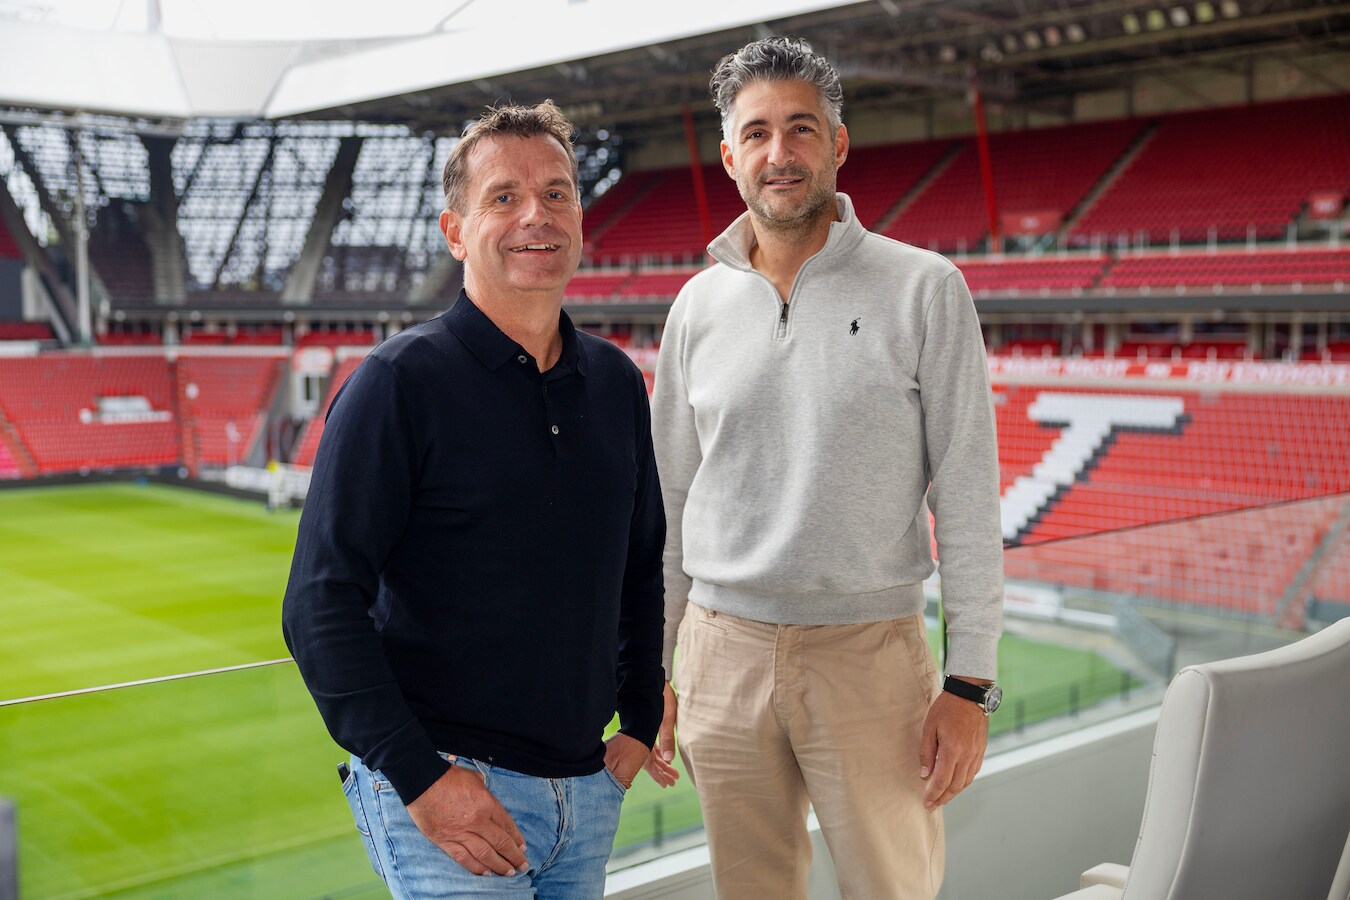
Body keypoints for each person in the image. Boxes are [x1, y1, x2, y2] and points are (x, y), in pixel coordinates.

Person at [644, 37, 1005, 900]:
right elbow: (669, 504)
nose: (780, 154)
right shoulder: (695, 307)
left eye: (801, 129)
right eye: (757, 133)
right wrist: (649, 666)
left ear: (837, 145)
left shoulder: (925, 289)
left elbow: (966, 490)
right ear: (730, 156)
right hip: (720, 655)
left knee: (894, 888)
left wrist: (970, 682)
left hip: (871, 659)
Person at [282, 100, 666, 900]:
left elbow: (638, 561)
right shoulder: (396, 385)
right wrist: (422, 780)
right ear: (456, 231)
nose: (538, 215)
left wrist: (635, 722)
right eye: (504, 197)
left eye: (558, 193)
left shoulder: (617, 384)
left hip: (587, 789)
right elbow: (319, 605)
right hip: (452, 789)